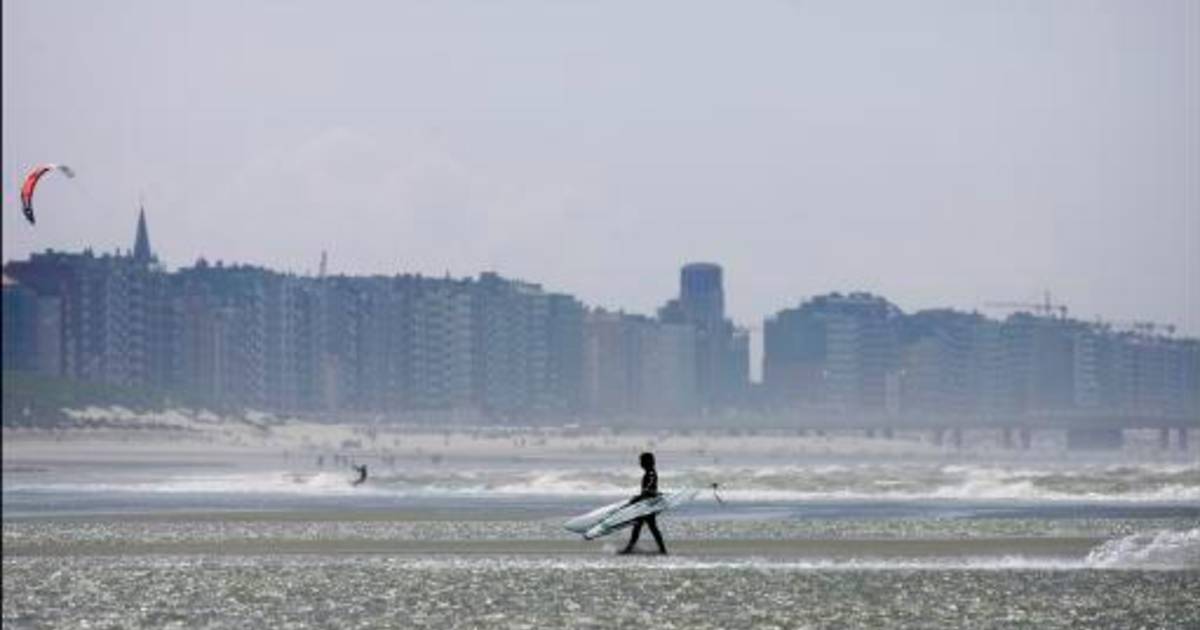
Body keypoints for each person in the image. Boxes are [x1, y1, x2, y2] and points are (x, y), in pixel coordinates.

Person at [620, 452, 668, 555]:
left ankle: (630, 548)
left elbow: (649, 487)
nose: (640, 463)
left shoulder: (651, 473)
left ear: (648, 462)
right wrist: (640, 497)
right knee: (644, 527)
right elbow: (648, 489)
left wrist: (640, 496)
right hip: (646, 504)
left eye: (642, 461)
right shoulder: (650, 472)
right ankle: (662, 549)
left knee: (645, 527)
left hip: (648, 505)